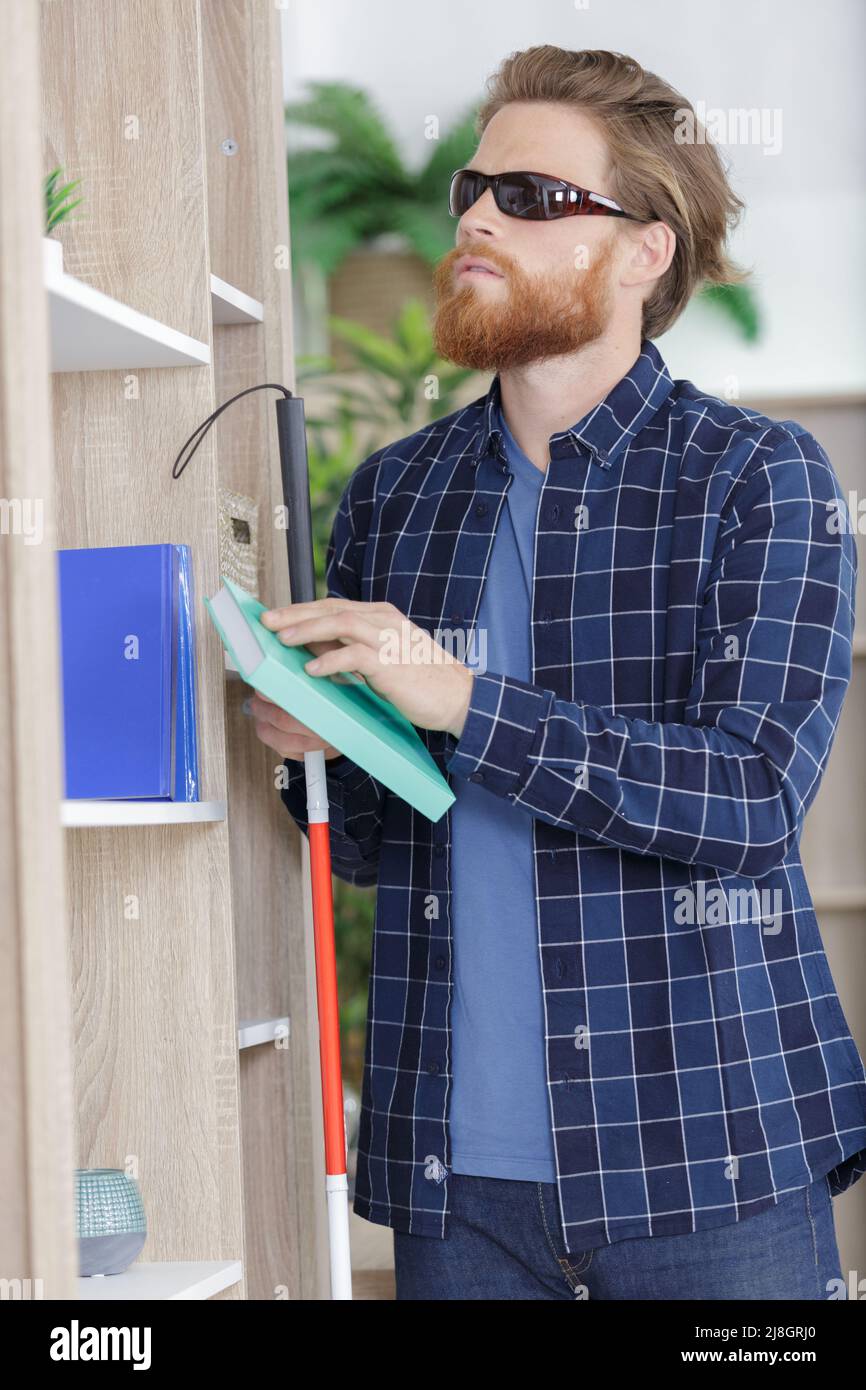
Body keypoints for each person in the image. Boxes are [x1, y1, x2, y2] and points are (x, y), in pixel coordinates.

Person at [251, 46, 866, 1299]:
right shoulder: (394, 496)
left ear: (643, 249)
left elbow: (748, 795)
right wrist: (319, 744)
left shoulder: (762, 478)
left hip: (711, 1167)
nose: (477, 214)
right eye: (473, 188)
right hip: (455, 1191)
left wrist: (460, 698)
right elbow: (377, 837)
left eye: (529, 197)